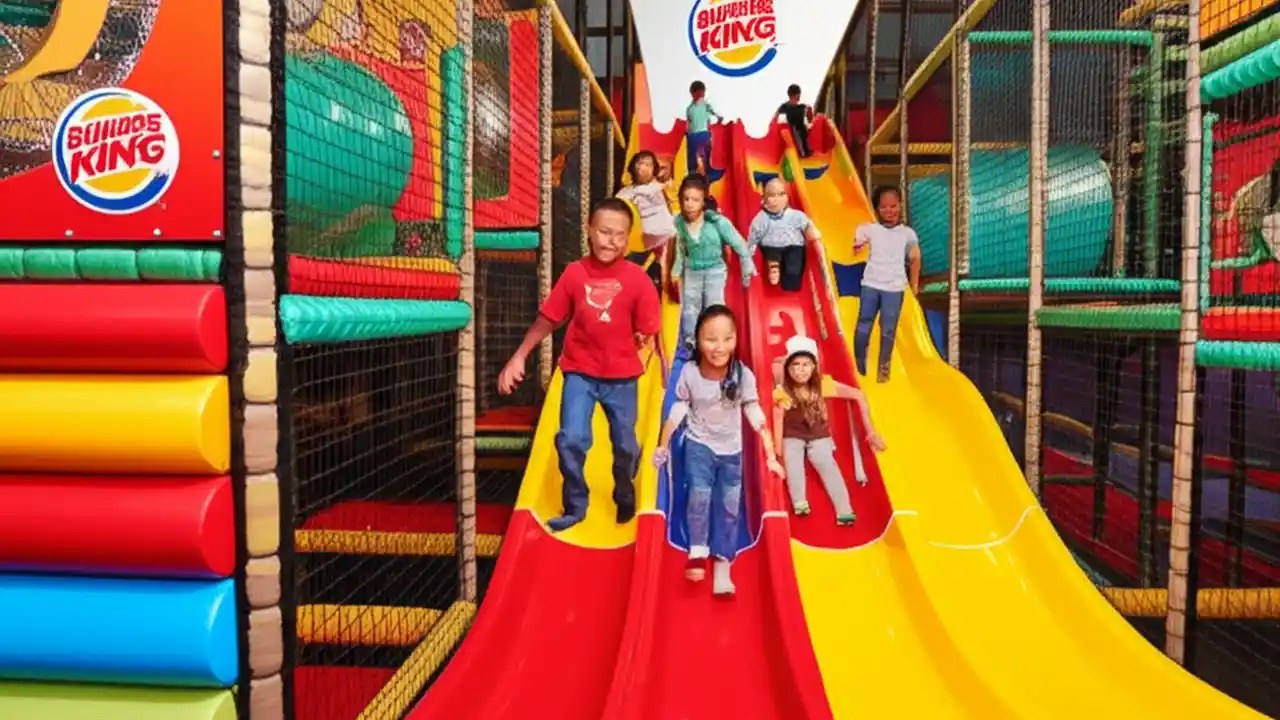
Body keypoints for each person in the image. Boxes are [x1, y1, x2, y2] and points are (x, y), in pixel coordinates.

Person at [498, 197, 661, 532]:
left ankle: (624, 486)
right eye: (604, 232)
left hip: (622, 377)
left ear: (628, 238)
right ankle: (576, 503)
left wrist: (652, 350)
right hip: (580, 373)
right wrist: (519, 356)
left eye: (619, 235)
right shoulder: (575, 274)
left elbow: (652, 330)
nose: (610, 241)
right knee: (570, 438)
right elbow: (549, 319)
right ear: (589, 230)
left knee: (626, 446)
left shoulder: (637, 280)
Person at [653, 305, 784, 596]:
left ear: (736, 339)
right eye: (710, 339)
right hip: (699, 445)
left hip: (731, 451)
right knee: (699, 495)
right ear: (698, 340)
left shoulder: (742, 375)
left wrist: (770, 455)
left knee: (728, 504)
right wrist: (663, 443)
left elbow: (753, 411)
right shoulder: (690, 373)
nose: (719, 346)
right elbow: (679, 407)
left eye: (727, 338)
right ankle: (698, 549)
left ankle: (723, 561)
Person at [772, 335, 886, 525]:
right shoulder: (783, 390)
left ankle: (844, 509)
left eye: (806, 365)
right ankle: (799, 501)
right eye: (795, 365)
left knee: (827, 464)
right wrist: (778, 454)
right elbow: (777, 421)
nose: (799, 371)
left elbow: (858, 395)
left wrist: (870, 431)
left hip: (818, 435)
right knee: (792, 463)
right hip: (792, 435)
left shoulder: (823, 384)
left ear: (814, 366)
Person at [671, 174, 755, 355]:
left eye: (695, 200)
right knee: (690, 308)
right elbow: (679, 249)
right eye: (686, 199)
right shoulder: (678, 223)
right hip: (691, 269)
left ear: (703, 202)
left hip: (714, 270)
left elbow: (738, 243)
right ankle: (690, 342)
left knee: (713, 305)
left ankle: (716, 341)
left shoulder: (717, 222)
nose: (690, 204)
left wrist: (746, 265)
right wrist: (675, 272)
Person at [852, 185, 921, 383]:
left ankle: (884, 367)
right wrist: (858, 243)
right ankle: (859, 361)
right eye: (884, 207)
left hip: (895, 288)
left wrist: (914, 286)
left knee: (888, 329)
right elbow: (859, 235)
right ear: (877, 209)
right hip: (871, 284)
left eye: (893, 206)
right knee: (864, 324)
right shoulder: (870, 229)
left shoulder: (907, 234)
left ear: (900, 205)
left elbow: (915, 258)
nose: (889, 211)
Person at [747, 177, 820, 291]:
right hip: (771, 246)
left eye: (781, 194)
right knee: (771, 252)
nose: (777, 199)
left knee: (793, 270)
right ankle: (774, 267)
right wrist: (749, 252)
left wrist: (811, 233)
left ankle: (789, 277)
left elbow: (807, 225)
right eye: (772, 195)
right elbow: (754, 236)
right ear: (764, 198)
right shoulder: (761, 218)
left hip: (793, 246)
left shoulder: (795, 215)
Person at [616, 149, 675, 289]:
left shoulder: (657, 187)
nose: (644, 168)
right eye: (641, 164)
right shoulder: (627, 192)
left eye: (649, 165)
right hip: (643, 243)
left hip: (666, 240)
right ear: (634, 167)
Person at [685, 80, 722, 176]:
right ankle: (695, 176)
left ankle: (705, 176)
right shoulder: (690, 108)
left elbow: (717, 116)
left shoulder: (705, 105)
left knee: (704, 158)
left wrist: (717, 123)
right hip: (694, 136)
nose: (700, 95)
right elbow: (688, 124)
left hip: (702, 135)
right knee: (695, 160)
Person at [777, 84, 814, 157]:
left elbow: (776, 117)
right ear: (797, 95)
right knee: (799, 135)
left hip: (797, 129)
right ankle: (803, 152)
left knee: (802, 135)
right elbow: (810, 118)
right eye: (799, 95)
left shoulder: (785, 106)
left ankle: (805, 151)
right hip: (795, 129)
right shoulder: (802, 106)